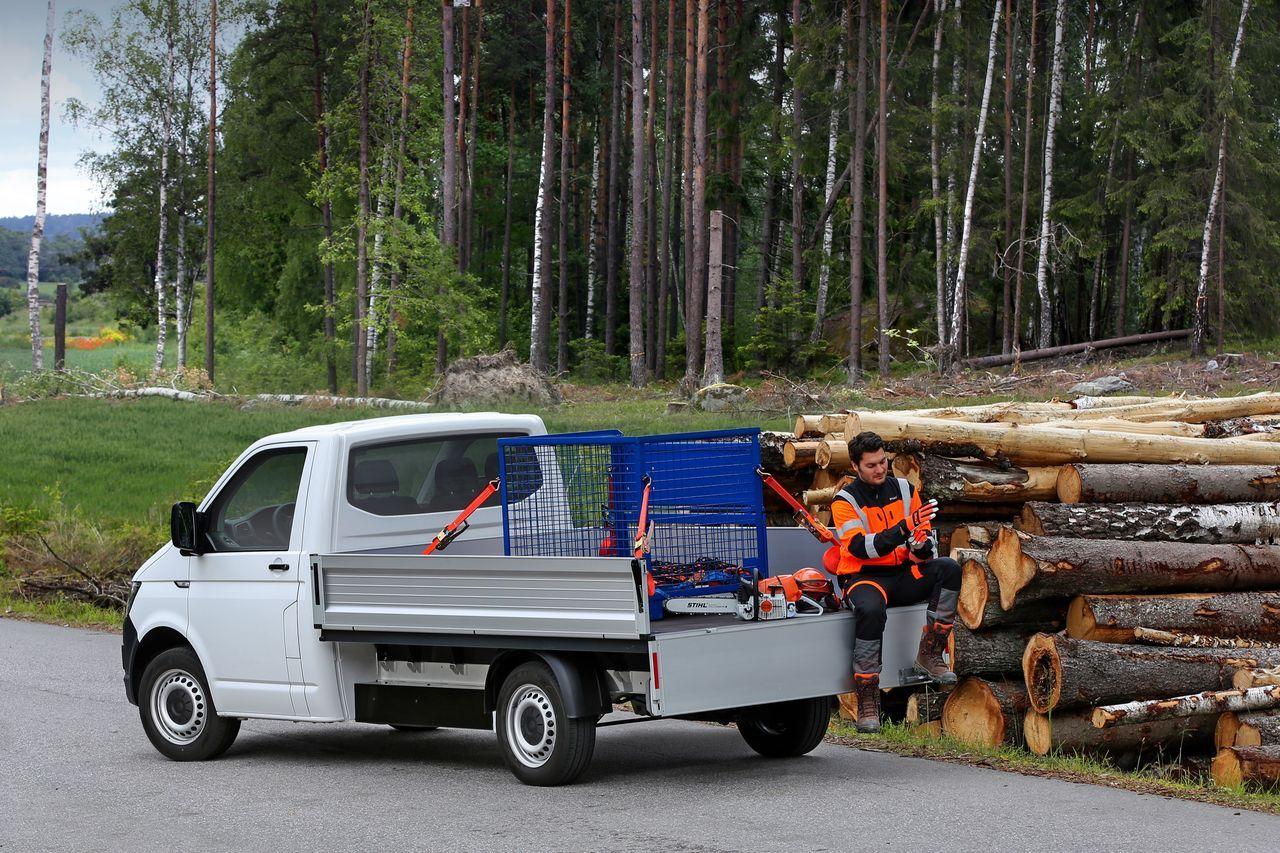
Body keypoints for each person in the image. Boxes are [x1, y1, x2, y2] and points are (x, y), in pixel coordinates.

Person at [828, 431, 962, 733]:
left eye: (883, 462)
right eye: (871, 465)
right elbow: (862, 547)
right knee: (871, 610)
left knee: (949, 569)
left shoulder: (904, 489)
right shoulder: (844, 501)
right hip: (864, 578)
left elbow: (926, 540)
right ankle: (866, 698)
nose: (880, 469)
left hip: (902, 574)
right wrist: (904, 530)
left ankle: (930, 652)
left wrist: (920, 544)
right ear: (855, 466)